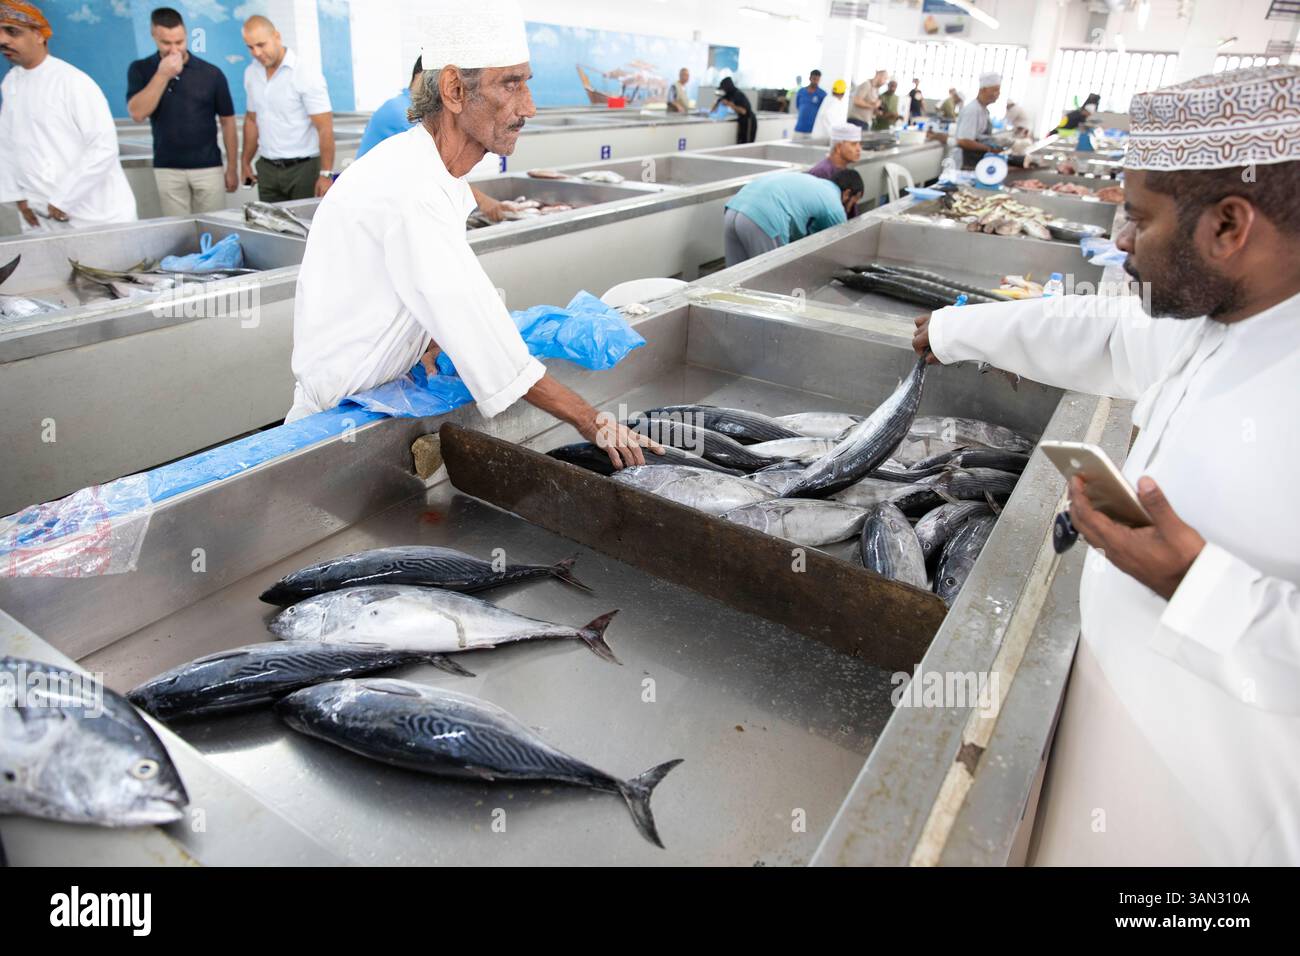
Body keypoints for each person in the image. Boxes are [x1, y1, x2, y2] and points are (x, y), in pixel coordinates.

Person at [913, 65, 1300, 865]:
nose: (1119, 243)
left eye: (1139, 218)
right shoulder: (1229, 314)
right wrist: (955, 332)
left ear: (1230, 225)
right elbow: (1112, 335)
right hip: (1111, 747)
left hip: (1223, 818)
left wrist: (1198, 587)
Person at [286, 0, 659, 471]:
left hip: (373, 402)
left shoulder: (433, 173)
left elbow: (414, 288)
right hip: (334, 427)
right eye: (511, 83)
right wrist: (591, 421)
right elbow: (484, 334)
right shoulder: (411, 189)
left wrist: (425, 337)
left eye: (527, 83)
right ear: (455, 90)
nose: (529, 106)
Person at [0, 1, 136, 231]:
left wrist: (62, 199)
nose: (3, 40)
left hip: (94, 215)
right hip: (39, 216)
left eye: (12, 31)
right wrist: (17, 197)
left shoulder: (72, 82)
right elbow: (7, 144)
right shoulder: (11, 82)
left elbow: (103, 147)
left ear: (39, 35)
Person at [126, 7, 238, 217]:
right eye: (166, 43)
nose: (174, 49)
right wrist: (162, 75)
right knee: (177, 232)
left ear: (186, 34)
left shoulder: (211, 73)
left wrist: (232, 167)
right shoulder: (140, 69)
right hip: (168, 168)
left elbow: (228, 121)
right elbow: (138, 113)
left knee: (216, 227)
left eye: (179, 42)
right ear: (154, 35)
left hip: (208, 167)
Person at [240, 14, 335, 202]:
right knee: (269, 229)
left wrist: (326, 174)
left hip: (304, 169)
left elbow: (324, 127)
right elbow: (252, 120)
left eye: (261, 45)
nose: (256, 53)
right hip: (267, 169)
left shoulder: (304, 72)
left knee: (305, 228)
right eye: (250, 47)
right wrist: (245, 161)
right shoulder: (251, 73)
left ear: (277, 36)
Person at [722, 168, 863, 266]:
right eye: (854, 201)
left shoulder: (815, 184)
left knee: (734, 278)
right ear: (847, 193)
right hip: (763, 219)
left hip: (734, 208)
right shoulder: (834, 205)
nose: (850, 208)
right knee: (768, 278)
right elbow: (842, 246)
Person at [952, 72, 1002, 169]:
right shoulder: (972, 110)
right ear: (983, 90)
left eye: (999, 91)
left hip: (975, 160)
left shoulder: (983, 110)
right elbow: (964, 141)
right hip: (966, 162)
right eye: (995, 90)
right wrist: (989, 148)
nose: (998, 94)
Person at [713, 76, 756, 144]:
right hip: (741, 121)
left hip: (748, 120)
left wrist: (730, 104)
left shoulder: (738, 95)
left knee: (746, 143)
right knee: (740, 142)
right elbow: (716, 105)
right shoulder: (728, 94)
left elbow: (743, 111)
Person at [793, 69, 826, 138]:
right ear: (810, 78)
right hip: (799, 128)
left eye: (818, 80)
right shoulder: (801, 91)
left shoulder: (822, 94)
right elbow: (798, 106)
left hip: (813, 130)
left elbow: (822, 112)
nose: (816, 82)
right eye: (814, 79)